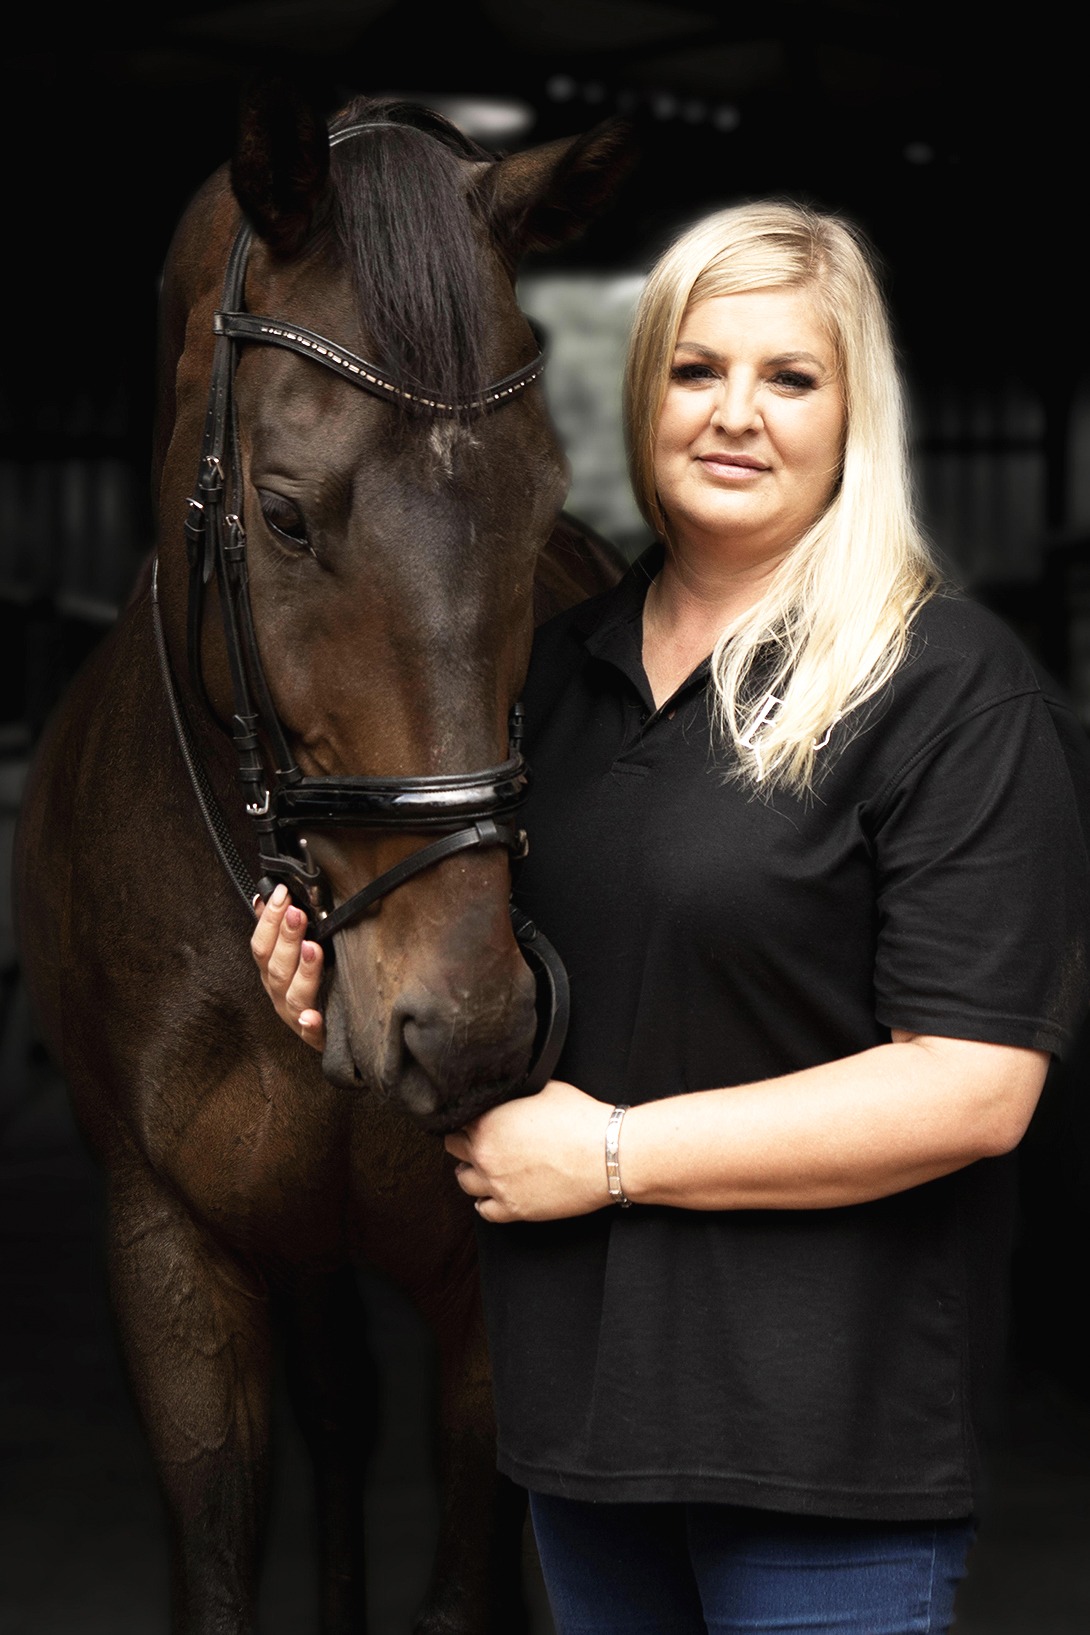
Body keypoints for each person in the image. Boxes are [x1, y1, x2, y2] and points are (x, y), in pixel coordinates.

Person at [251, 201, 1090, 1634]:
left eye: (790, 377)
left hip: (821, 1455)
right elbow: (552, 1015)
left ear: (853, 413)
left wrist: (619, 1157)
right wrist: (353, 1000)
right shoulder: (549, 690)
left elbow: (971, 1088)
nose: (735, 414)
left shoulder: (948, 690)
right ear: (640, 392)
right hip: (586, 1439)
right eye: (696, 370)